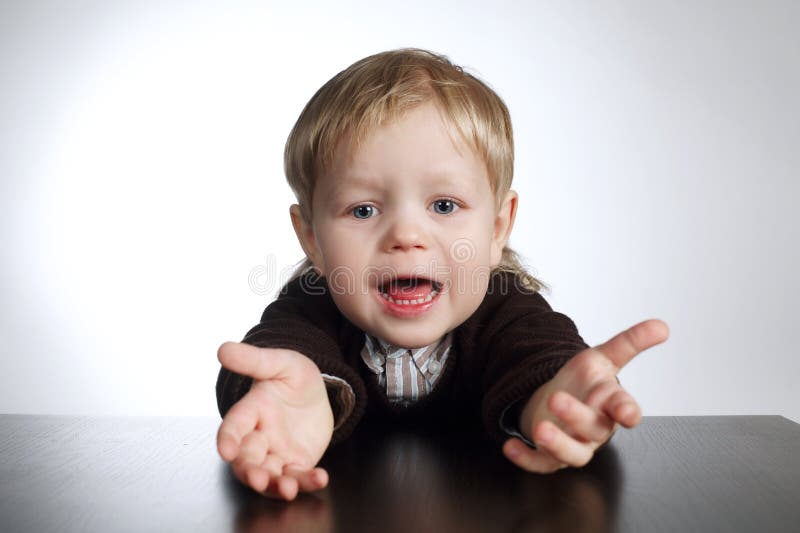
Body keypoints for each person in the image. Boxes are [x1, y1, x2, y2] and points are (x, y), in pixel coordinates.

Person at [215, 48, 669, 500]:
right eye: (363, 209)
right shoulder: (310, 307)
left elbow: (538, 351)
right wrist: (287, 394)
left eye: (444, 205)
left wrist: (554, 398)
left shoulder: (506, 309)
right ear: (312, 238)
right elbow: (277, 353)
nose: (407, 234)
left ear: (496, 229)